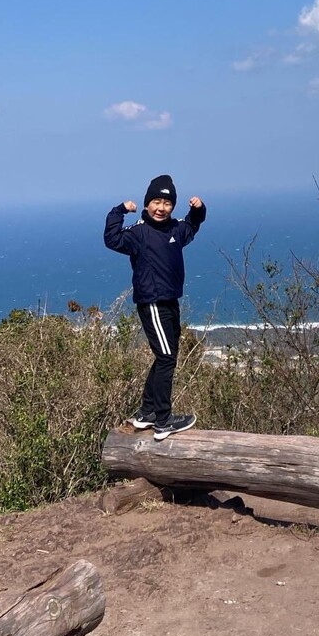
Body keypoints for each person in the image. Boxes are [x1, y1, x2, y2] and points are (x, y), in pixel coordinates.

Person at [104, 174, 206, 440]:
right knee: (166, 359)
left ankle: (147, 413)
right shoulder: (138, 234)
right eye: (156, 202)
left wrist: (198, 208)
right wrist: (119, 210)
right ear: (148, 203)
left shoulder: (175, 230)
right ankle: (163, 420)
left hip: (170, 300)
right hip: (152, 302)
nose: (161, 207)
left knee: (165, 357)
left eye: (167, 203)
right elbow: (112, 239)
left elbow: (193, 225)